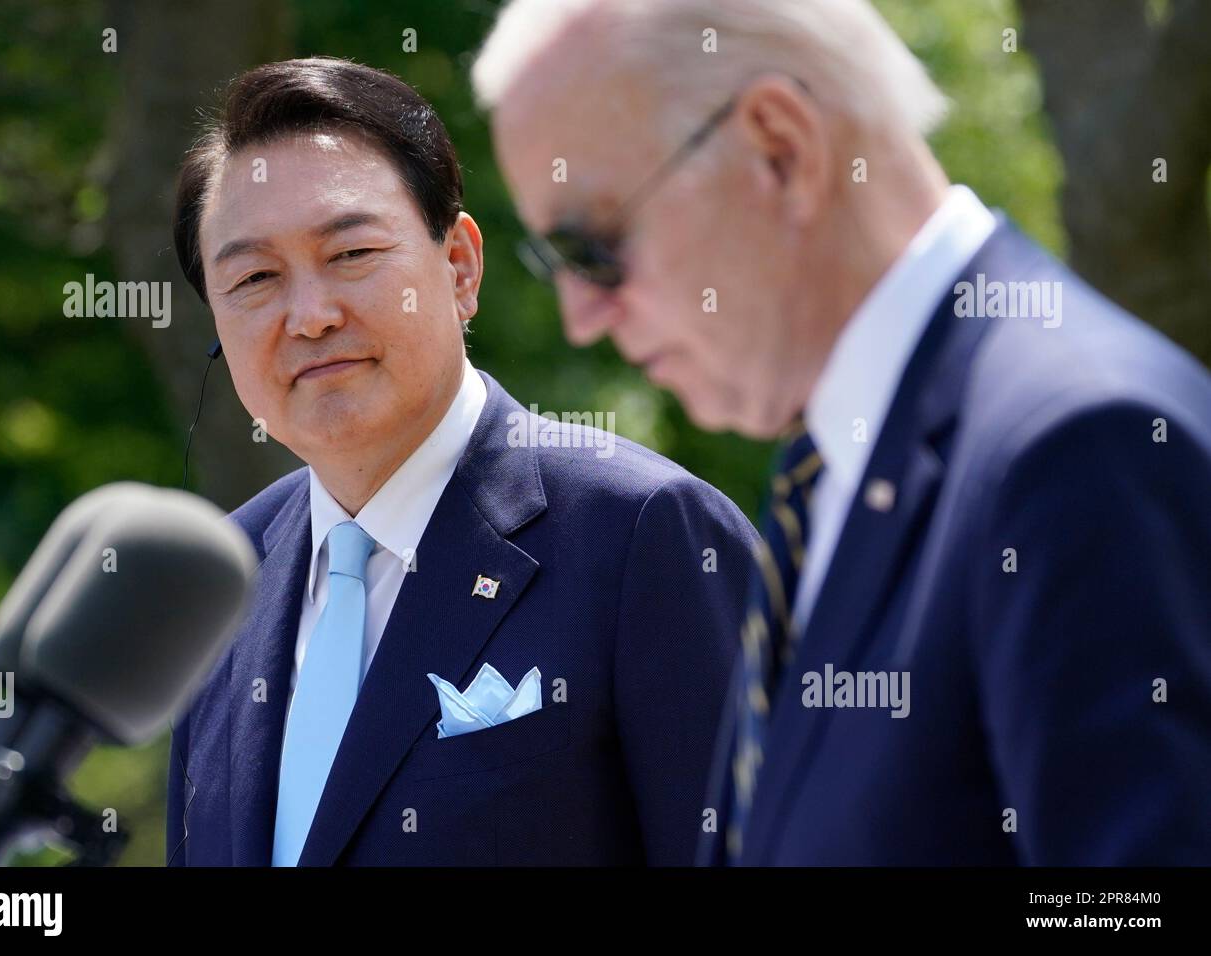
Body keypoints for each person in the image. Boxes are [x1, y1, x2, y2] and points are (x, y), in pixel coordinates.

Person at [473, 0, 1211, 864]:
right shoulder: (838, 459)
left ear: (781, 150)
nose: (582, 319)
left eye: (595, 248)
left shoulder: (1076, 447)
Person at [165, 57, 757, 866]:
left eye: (351, 253)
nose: (310, 316)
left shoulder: (640, 534)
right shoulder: (219, 582)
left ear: (460, 267)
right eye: (256, 277)